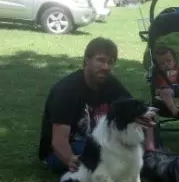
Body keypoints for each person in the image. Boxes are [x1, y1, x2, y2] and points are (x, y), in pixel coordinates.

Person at [38, 37, 156, 173]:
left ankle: (148, 160)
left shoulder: (110, 83)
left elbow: (139, 112)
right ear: (87, 60)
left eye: (110, 62)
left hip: (97, 139)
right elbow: (59, 140)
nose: (106, 67)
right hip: (61, 151)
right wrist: (71, 160)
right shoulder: (66, 91)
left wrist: (150, 146)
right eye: (100, 60)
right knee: (108, 151)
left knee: (138, 136)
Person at [153, 46, 179, 117]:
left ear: (174, 61)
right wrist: (158, 90)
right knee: (165, 92)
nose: (166, 65)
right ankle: (173, 109)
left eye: (169, 61)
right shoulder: (159, 74)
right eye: (162, 64)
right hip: (168, 89)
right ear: (158, 66)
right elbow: (157, 87)